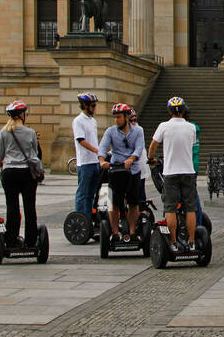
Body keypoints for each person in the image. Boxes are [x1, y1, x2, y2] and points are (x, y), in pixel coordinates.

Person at [149, 96, 199, 255]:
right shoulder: (191, 127)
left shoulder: (163, 126)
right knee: (190, 208)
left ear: (169, 111)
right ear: (184, 110)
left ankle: (174, 241)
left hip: (170, 172)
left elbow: (153, 146)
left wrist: (151, 159)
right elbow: (191, 146)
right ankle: (191, 241)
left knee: (170, 208)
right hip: (188, 171)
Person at [0, 101, 41, 247]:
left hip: (9, 173)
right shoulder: (30, 132)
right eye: (25, 112)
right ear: (21, 115)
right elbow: (36, 154)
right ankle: (31, 241)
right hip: (27, 174)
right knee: (30, 208)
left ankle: (11, 240)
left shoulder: (3, 132)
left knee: (12, 208)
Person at [99, 103, 143, 240]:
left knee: (134, 202)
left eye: (119, 117)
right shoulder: (110, 131)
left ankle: (132, 231)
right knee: (114, 203)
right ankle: (114, 233)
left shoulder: (138, 131)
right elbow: (103, 147)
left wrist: (131, 158)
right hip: (116, 169)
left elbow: (139, 148)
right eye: (115, 117)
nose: (116, 120)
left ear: (126, 117)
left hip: (133, 170)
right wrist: (101, 161)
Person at [72, 93, 101, 218]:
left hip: (95, 162)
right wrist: (96, 150)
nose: (94, 107)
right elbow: (80, 140)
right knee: (82, 193)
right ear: (84, 105)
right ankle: (80, 218)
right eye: (93, 105)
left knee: (91, 194)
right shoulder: (78, 121)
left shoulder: (93, 121)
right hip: (84, 163)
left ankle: (88, 218)